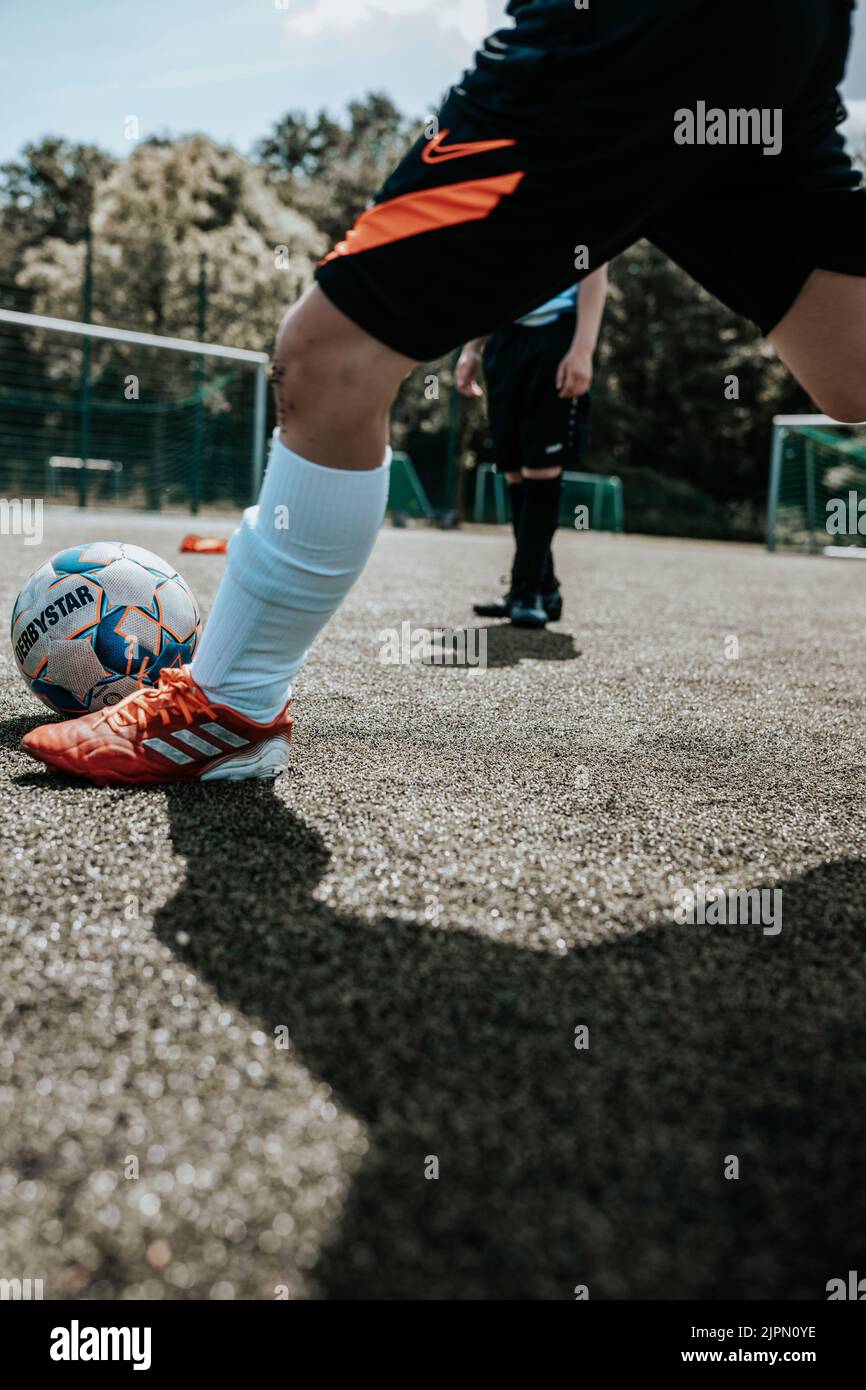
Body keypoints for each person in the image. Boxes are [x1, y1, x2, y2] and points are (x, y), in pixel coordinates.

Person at [23, 0, 866, 784]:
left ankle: (231, 706)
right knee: (853, 370)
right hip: (786, 29)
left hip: (630, 33)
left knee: (328, 355)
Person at [457, 265, 608, 627]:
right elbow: (487, 277)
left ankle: (525, 592)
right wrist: (472, 348)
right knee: (513, 470)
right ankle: (545, 588)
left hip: (557, 334)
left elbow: (594, 272)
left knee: (541, 469)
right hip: (505, 336)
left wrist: (583, 349)